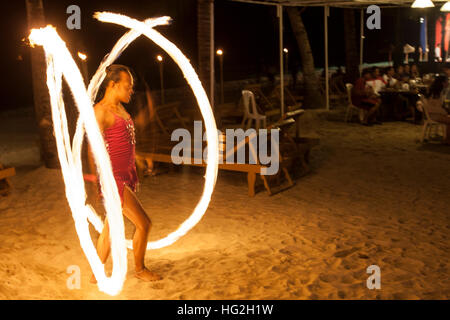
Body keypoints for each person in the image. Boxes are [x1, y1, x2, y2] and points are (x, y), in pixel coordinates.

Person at [86, 64, 161, 282]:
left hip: (126, 175)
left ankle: (96, 274)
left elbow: (123, 140)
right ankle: (140, 270)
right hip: (114, 180)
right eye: (127, 86)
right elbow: (93, 151)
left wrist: (138, 159)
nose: (131, 90)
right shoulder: (99, 111)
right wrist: (95, 183)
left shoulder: (120, 108)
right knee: (144, 223)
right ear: (113, 84)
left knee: (110, 227)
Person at [417, 76, 450, 144]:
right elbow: (429, 107)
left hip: (436, 113)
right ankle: (447, 140)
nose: (448, 82)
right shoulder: (435, 93)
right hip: (433, 115)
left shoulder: (439, 92)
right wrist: (444, 111)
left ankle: (447, 139)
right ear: (442, 83)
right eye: (447, 81)